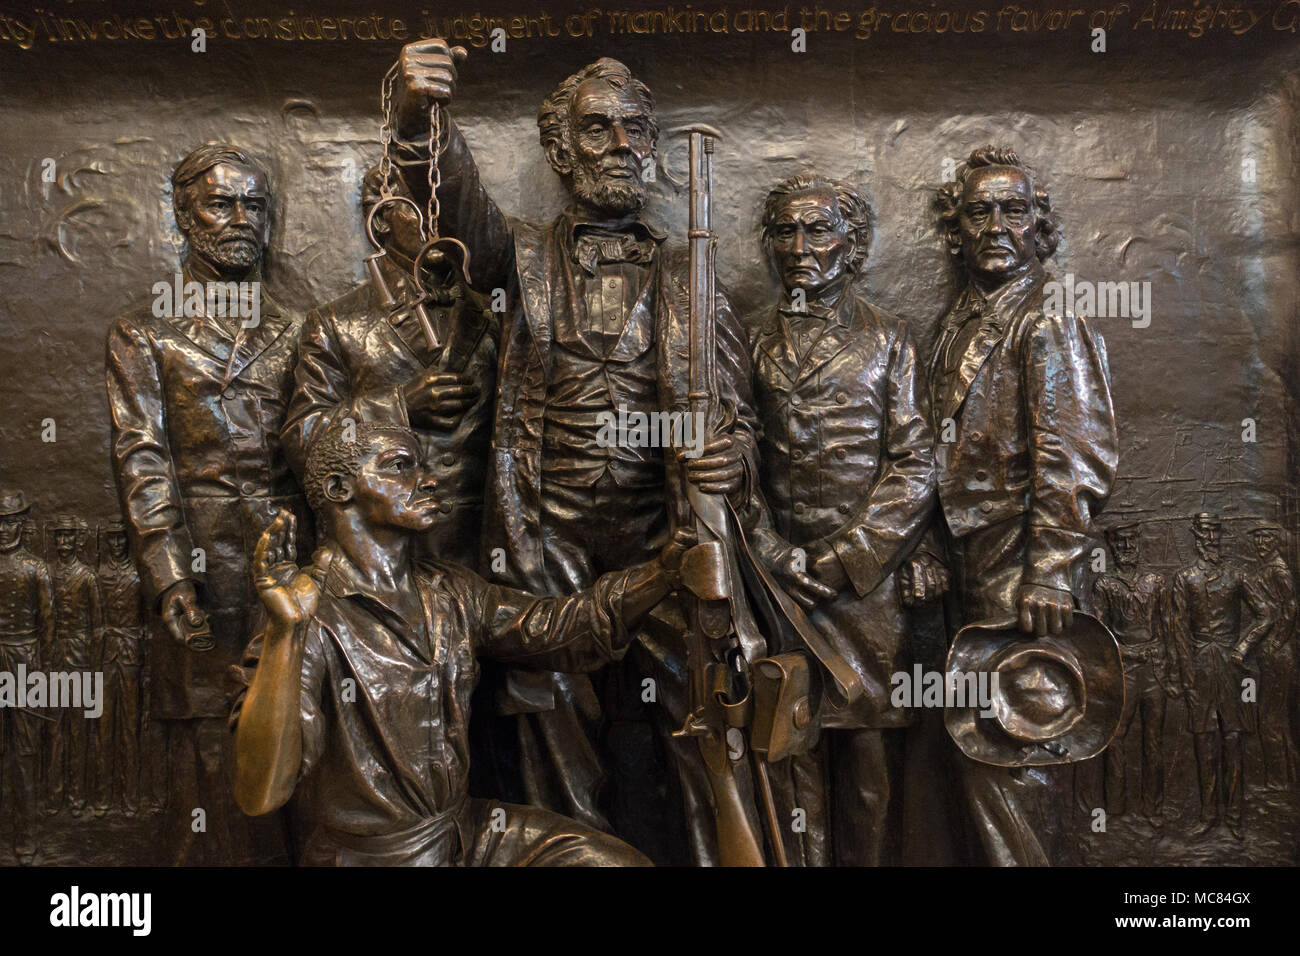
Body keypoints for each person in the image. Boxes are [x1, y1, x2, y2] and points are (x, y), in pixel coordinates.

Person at [386, 41, 760, 862]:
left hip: (665, 541)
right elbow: (449, 209)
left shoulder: (692, 277)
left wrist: (731, 461)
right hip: (543, 542)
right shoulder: (519, 257)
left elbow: (738, 423)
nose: (622, 145)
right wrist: (420, 121)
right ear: (558, 150)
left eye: (635, 130)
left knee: (694, 735)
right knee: (551, 736)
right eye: (598, 131)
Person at [232, 419, 700, 866]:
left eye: (423, 464)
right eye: (400, 465)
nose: (429, 479)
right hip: (378, 857)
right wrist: (285, 634)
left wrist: (663, 574)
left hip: (468, 834)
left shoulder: (451, 590)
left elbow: (554, 628)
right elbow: (261, 792)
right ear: (340, 490)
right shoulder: (308, 614)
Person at [915, 145, 1118, 865]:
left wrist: (1051, 568)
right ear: (956, 229)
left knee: (1013, 749)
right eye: (979, 211)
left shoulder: (1049, 313)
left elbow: (1076, 452)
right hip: (973, 562)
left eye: (1014, 209)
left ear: (1040, 226)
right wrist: (932, 547)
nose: (996, 224)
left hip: (1024, 566)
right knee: (978, 748)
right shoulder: (956, 323)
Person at [105, 143, 307, 864]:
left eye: (254, 205)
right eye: (221, 204)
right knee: (207, 756)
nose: (240, 220)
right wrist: (167, 576)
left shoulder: (295, 328)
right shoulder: (146, 333)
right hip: (202, 565)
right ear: (185, 218)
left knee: (294, 730)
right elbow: (143, 459)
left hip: (290, 563)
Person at [747, 174, 937, 864]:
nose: (800, 247)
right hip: (777, 584)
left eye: (818, 230)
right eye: (785, 232)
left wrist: (847, 556)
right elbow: (736, 456)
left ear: (850, 246)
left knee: (868, 769)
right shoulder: (747, 340)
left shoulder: (889, 339)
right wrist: (769, 549)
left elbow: (915, 464)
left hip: (864, 590)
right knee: (788, 751)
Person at [0, 490, 51, 864]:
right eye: (1, 522)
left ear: (22, 524)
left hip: (25, 659)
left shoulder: (37, 569)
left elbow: (47, 626)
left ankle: (26, 836)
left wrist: (37, 670)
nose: (5, 529)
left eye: (12, 521)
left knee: (26, 750)